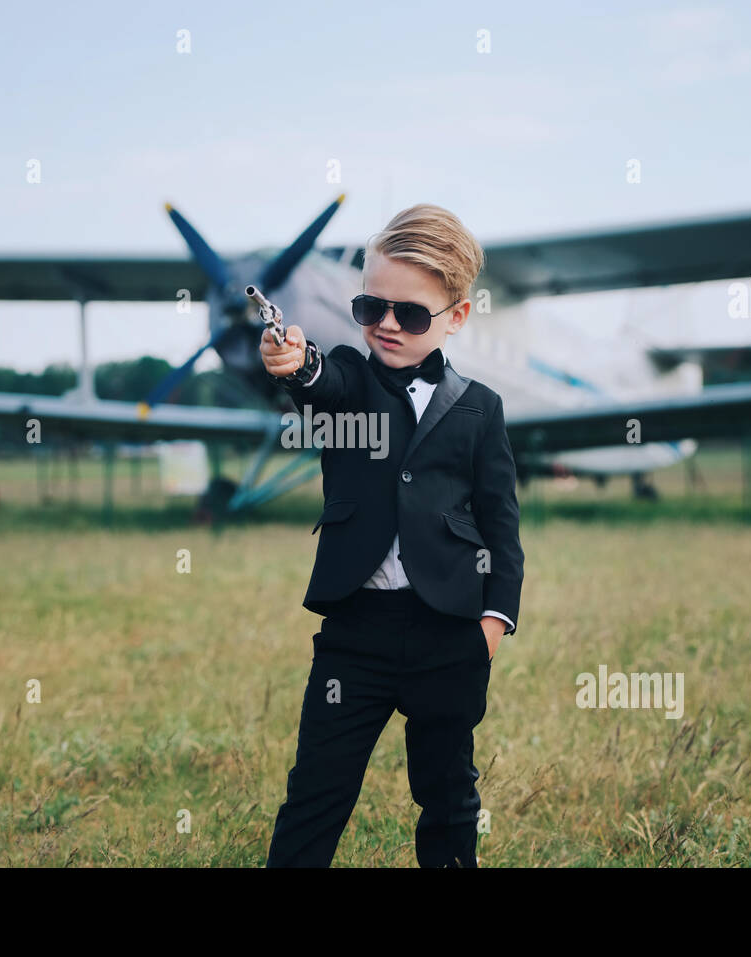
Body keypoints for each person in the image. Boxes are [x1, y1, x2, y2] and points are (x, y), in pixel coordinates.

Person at [260, 203, 524, 867]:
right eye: (369, 307)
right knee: (317, 788)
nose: (385, 325)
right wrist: (294, 362)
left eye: (408, 313)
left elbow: (502, 523)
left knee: (448, 796)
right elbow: (320, 381)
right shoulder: (351, 377)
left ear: (456, 317)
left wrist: (493, 622)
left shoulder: (481, 410)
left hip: (450, 632)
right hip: (357, 634)